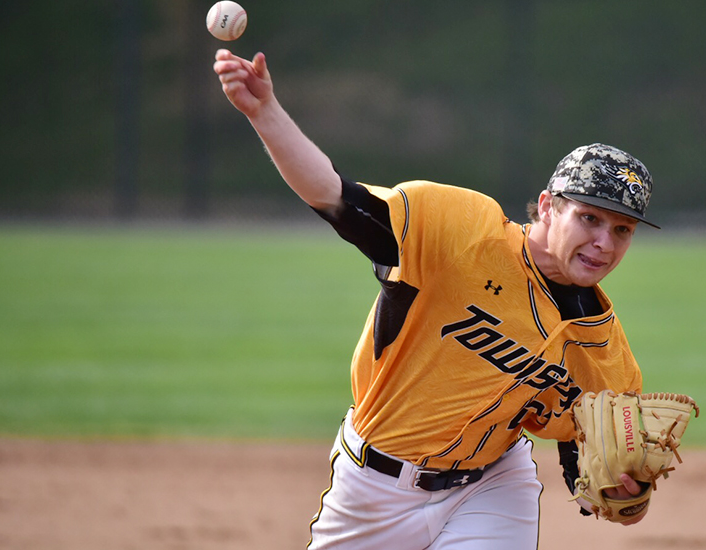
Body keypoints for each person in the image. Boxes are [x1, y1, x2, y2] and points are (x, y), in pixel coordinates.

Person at [213, 49, 660, 550]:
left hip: (491, 486)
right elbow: (338, 199)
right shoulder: (462, 232)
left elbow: (583, 461)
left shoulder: (604, 348)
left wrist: (624, 490)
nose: (604, 242)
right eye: (589, 218)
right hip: (374, 487)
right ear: (547, 207)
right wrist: (265, 112)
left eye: (622, 230)